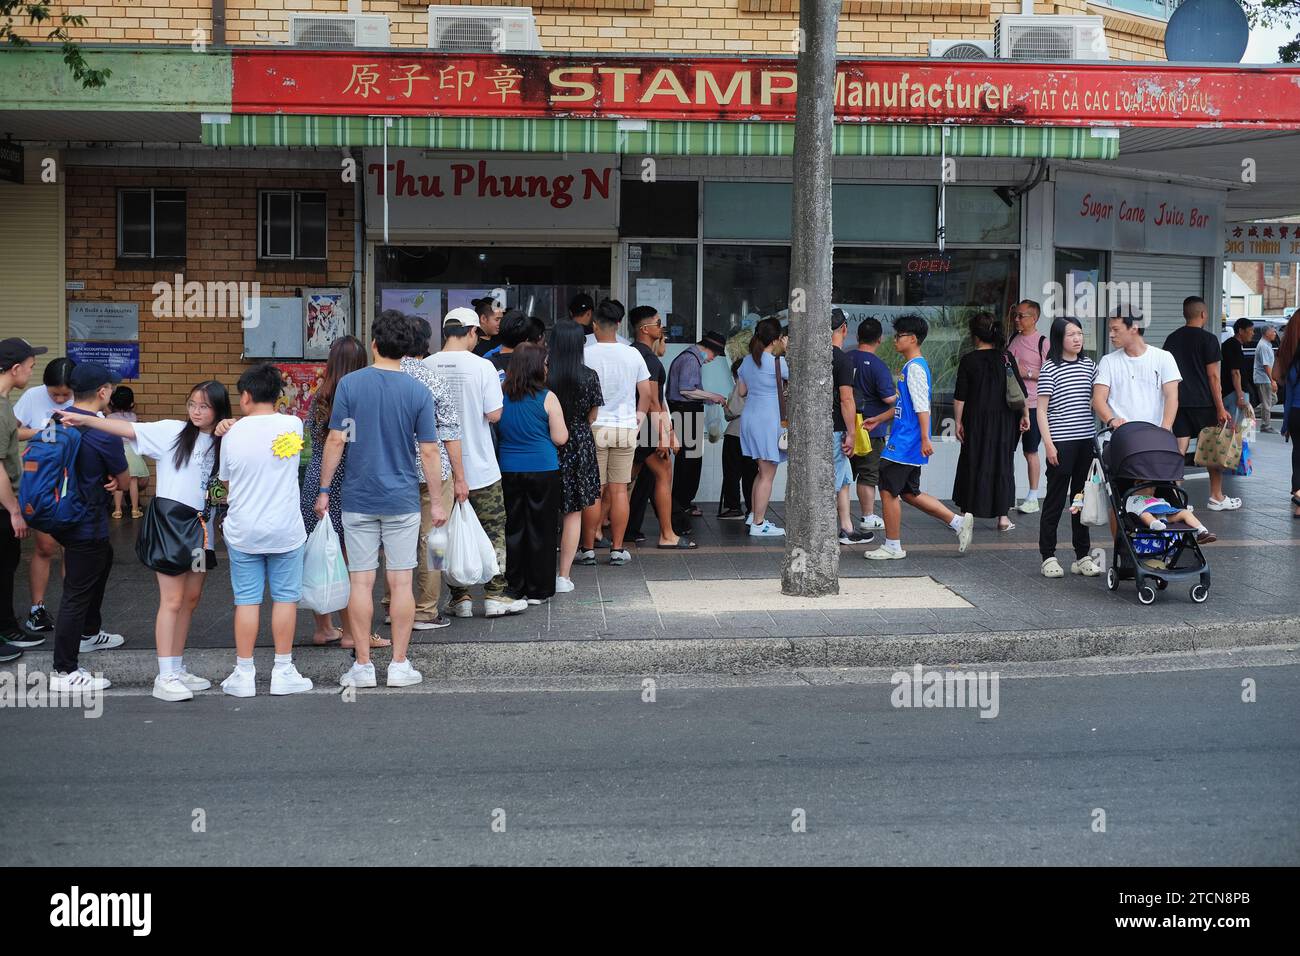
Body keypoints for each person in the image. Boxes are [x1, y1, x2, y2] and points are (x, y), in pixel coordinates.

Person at [67, 380, 232, 701]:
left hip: (202, 529)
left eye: (204, 406)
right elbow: (127, 430)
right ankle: (165, 675)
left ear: (219, 409)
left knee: (191, 600)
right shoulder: (172, 432)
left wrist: (233, 426)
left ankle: (177, 666)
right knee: (171, 601)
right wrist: (86, 419)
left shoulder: (225, 440)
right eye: (192, 404)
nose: (196, 412)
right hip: (172, 525)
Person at [317, 311, 446, 690]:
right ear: (406, 350)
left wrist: (324, 491)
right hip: (403, 500)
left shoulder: (350, 386)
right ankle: (400, 665)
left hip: (358, 498)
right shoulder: (418, 392)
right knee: (402, 583)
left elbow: (337, 439)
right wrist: (436, 503)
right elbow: (429, 452)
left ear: (374, 343)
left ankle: (362, 666)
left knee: (360, 583)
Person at [215, 364, 313, 698]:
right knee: (285, 599)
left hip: (244, 530)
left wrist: (229, 427)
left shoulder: (231, 434)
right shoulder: (293, 424)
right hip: (285, 529)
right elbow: (286, 453)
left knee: (247, 601)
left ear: (245, 396)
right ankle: (283, 670)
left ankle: (244, 673)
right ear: (278, 395)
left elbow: (225, 480)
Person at [424, 308, 528, 617]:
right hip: (480, 466)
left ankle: (458, 597)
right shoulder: (482, 366)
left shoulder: (425, 366)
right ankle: (495, 595)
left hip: (437, 470)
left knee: (439, 536)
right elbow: (495, 414)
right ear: (472, 332)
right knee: (493, 528)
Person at [47, 363, 131, 693]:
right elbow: (124, 479)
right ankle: (63, 670)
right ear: (102, 392)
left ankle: (89, 632)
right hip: (86, 519)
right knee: (76, 593)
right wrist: (114, 480)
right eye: (110, 387)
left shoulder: (56, 418)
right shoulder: (103, 429)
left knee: (102, 560)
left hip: (60, 512)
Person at [864, 315, 974, 560]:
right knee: (909, 492)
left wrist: (925, 438)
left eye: (899, 336)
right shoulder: (912, 365)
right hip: (907, 439)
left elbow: (922, 406)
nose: (895, 340)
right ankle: (957, 522)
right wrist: (880, 419)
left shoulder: (914, 368)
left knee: (888, 489)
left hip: (906, 442)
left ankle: (893, 546)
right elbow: (906, 404)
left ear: (912, 339)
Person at [299, 335, 382, 650]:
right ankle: (352, 634)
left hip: (316, 482)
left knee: (321, 555)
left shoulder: (320, 395)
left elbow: (316, 439)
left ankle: (325, 628)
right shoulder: (360, 396)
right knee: (349, 563)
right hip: (345, 483)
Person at [385, 315, 464, 631]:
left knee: (393, 539)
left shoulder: (379, 377)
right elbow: (450, 432)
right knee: (434, 541)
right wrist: (460, 477)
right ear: (425, 344)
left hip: (391, 470)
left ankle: (392, 605)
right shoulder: (431, 380)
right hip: (435, 472)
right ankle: (426, 608)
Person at [581, 298, 653, 565]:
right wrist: (638, 419)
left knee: (594, 491)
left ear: (595, 324)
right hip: (625, 428)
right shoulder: (632, 353)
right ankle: (617, 549)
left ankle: (588, 549)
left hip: (595, 427)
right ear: (619, 324)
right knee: (620, 490)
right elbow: (646, 393)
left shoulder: (586, 354)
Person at [498, 343, 568, 603]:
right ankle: (538, 589)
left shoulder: (500, 395)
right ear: (537, 367)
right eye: (546, 363)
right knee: (542, 529)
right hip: (543, 468)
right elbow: (560, 438)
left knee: (513, 528)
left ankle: (514, 586)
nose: (548, 368)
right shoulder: (548, 397)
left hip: (508, 469)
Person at [13, 355, 74, 637]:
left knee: (72, 549)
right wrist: (42, 432)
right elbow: (12, 431)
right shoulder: (32, 396)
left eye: (66, 394)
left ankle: (71, 609)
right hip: (42, 484)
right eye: (55, 394)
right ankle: (37, 608)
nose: (61, 399)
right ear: (45, 387)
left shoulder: (84, 398)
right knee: (44, 547)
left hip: (73, 484)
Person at [1036, 317, 1101, 579]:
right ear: (1059, 339)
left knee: (1081, 500)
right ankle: (1048, 556)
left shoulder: (1090, 366)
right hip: (1061, 443)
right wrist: (1049, 445)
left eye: (1080, 333)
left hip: (1087, 442)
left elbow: (1100, 400)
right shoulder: (1050, 368)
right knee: (1054, 499)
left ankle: (1082, 556)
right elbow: (1041, 411)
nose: (1077, 338)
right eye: (1071, 334)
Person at [952, 312, 1028, 532]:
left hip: (975, 420)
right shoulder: (1006, 357)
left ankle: (967, 513)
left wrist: (958, 422)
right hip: (1005, 420)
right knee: (1002, 464)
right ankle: (1003, 518)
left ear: (975, 336)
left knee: (972, 461)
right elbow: (1019, 391)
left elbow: (960, 397)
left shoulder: (969, 360)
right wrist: (1025, 415)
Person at [626, 306, 694, 550]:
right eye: (657, 323)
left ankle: (595, 534)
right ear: (645, 329)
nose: (661, 327)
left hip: (632, 427)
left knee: (623, 481)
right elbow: (654, 401)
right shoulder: (649, 360)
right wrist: (664, 435)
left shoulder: (631, 353)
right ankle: (667, 534)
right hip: (647, 430)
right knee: (664, 474)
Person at [1163, 296, 1239, 512]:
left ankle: (1177, 500)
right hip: (1205, 403)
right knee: (1214, 449)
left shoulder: (1172, 339)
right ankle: (1216, 496)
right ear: (1204, 314)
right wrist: (1221, 407)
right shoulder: (1209, 339)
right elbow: (1214, 377)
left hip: (1178, 402)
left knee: (1179, 448)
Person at [0, 338, 49, 659]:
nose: (32, 372)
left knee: (7, 566)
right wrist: (14, 510)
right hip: (2, 504)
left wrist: (47, 430)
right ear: (16, 368)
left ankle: (7, 625)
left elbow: (13, 432)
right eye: (31, 367)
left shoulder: (5, 401)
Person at [548, 319, 604, 592]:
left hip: (547, 443)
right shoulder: (589, 375)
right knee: (573, 511)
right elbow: (593, 415)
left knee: (545, 510)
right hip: (580, 444)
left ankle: (540, 571)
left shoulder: (544, 375)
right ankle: (563, 576)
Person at [666, 329, 728, 534]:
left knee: (691, 460)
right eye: (715, 355)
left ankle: (684, 503)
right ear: (708, 349)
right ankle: (680, 505)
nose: (713, 359)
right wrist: (713, 395)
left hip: (687, 412)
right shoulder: (691, 359)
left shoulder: (690, 357)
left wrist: (707, 398)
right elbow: (686, 390)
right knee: (688, 462)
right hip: (685, 413)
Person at [736, 317, 789, 537]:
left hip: (749, 418)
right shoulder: (778, 363)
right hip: (768, 421)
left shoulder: (746, 361)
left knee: (761, 471)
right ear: (776, 339)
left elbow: (741, 392)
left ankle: (754, 515)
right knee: (768, 474)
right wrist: (785, 352)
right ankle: (759, 523)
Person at [1093, 311, 1182, 432]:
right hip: (1119, 437)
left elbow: (1172, 397)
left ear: (1134, 328)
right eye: (1110, 330)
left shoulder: (1164, 357)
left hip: (1154, 436)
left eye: (1116, 329)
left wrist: (1164, 430)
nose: (1111, 335)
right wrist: (1111, 420)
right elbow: (1098, 399)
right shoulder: (1108, 361)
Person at [847, 317, 896, 534]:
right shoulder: (878, 365)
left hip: (845, 426)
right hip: (870, 429)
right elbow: (888, 399)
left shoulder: (845, 358)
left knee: (843, 475)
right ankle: (867, 516)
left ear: (857, 337)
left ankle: (840, 517)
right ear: (880, 339)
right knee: (868, 474)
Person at [830, 310, 870, 545]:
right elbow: (846, 399)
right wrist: (852, 433)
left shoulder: (812, 357)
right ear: (844, 329)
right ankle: (837, 528)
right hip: (835, 428)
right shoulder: (842, 360)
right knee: (836, 479)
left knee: (843, 479)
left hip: (815, 428)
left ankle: (846, 527)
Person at [1006, 300, 1047, 514]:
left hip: (1032, 405)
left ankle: (1032, 496)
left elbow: (1052, 376)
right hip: (1011, 403)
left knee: (1030, 451)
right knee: (1007, 450)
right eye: (1016, 315)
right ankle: (1007, 494)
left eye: (1021, 316)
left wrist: (1027, 373)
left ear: (1034, 318)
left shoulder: (1043, 343)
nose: (1017, 319)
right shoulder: (1013, 338)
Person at [718, 358, 757, 520]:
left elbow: (732, 411)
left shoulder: (739, 387)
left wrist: (725, 406)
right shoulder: (759, 387)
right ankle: (752, 508)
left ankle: (734, 507)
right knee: (751, 474)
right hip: (753, 435)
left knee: (732, 472)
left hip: (735, 434)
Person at [106, 385, 151, 520]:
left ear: (112, 402)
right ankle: (135, 510)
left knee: (119, 482)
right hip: (132, 451)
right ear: (132, 403)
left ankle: (118, 510)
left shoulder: (109, 418)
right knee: (133, 482)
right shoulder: (133, 416)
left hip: (117, 451)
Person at [1273, 310, 1300, 519]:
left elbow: (1277, 377)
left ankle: (1298, 494)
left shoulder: (1288, 350)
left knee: (1298, 453)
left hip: (1295, 412)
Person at [1126, 485, 1217, 545]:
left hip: (1165, 513)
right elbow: (1127, 509)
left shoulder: (1157, 498)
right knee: (1145, 515)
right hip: (1145, 512)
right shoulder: (1130, 498)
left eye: (1154, 489)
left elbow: (1166, 505)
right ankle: (1154, 524)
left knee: (1185, 512)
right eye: (1150, 488)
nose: (1153, 490)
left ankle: (1202, 531)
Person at [1221, 317, 1256, 425]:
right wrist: (1240, 395)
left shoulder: (1229, 344)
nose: (1253, 333)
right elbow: (1235, 372)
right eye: (1251, 330)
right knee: (1235, 428)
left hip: (1228, 392)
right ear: (1241, 331)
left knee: (1231, 427)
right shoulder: (1234, 346)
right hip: (1234, 393)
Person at [1254, 323, 1279, 432]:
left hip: (1266, 378)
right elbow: (1266, 365)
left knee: (1272, 399)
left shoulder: (1267, 344)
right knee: (1267, 403)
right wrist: (1272, 380)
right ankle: (1265, 425)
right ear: (1267, 333)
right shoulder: (1263, 346)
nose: (1275, 333)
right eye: (1273, 331)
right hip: (1263, 378)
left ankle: (1250, 413)